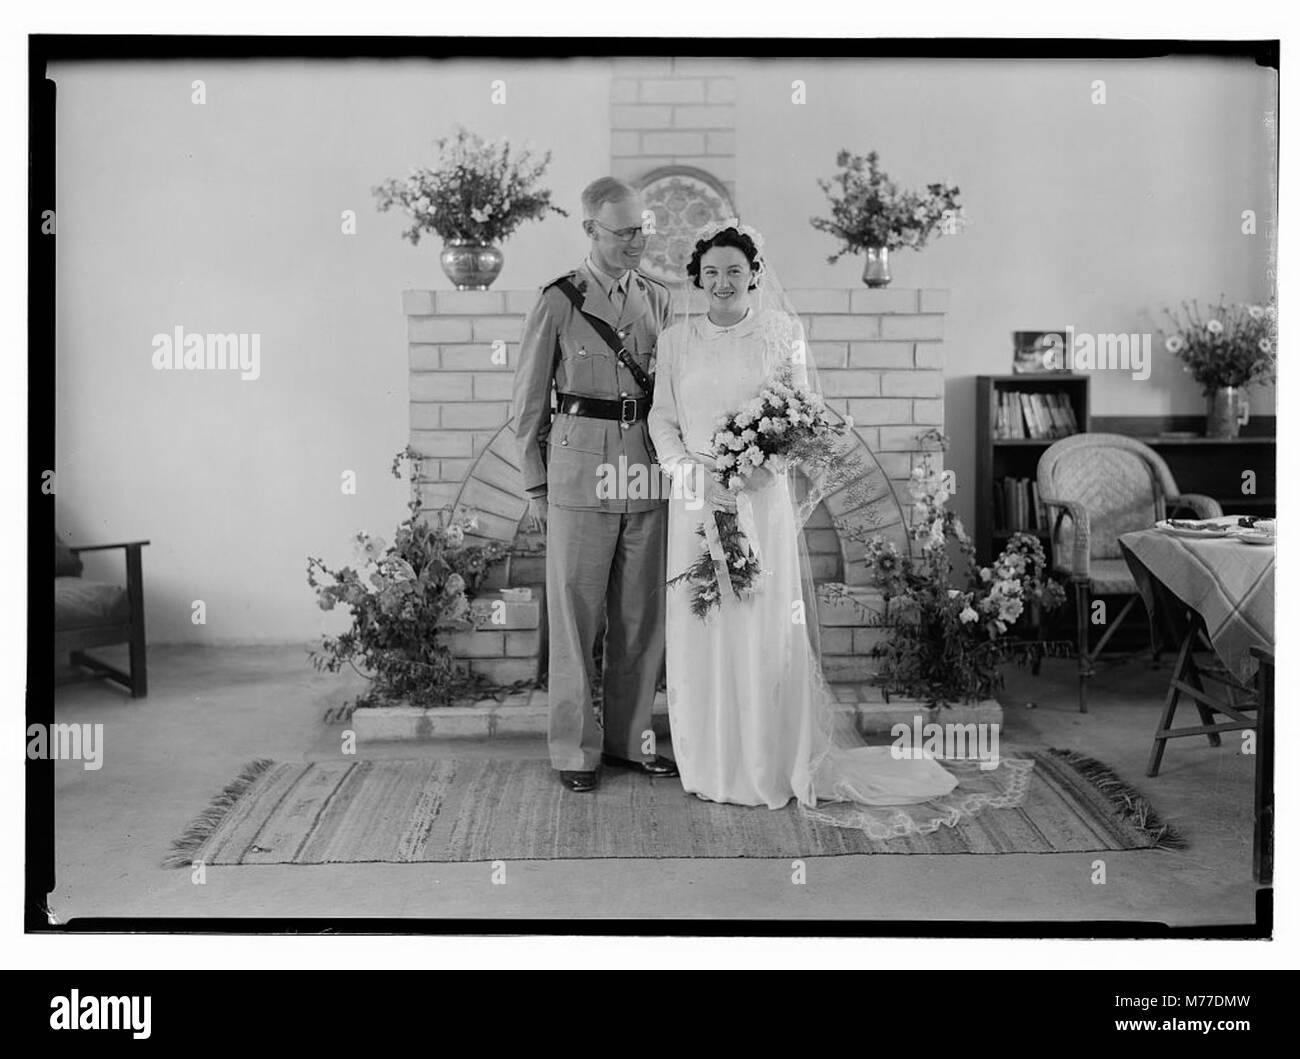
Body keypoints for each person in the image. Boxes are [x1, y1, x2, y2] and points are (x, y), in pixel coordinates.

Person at [648, 220, 1031, 836]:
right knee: (704, 621)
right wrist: (688, 471)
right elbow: (661, 418)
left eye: (734, 270)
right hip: (694, 501)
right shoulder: (675, 340)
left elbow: (799, 419)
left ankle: (770, 760)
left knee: (761, 621)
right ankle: (711, 763)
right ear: (698, 277)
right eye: (710, 271)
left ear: (755, 274)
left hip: (760, 498)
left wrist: (753, 469)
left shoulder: (781, 333)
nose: (722, 282)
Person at [511, 177, 679, 793]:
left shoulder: (659, 300)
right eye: (624, 231)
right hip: (578, 478)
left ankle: (630, 742)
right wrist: (535, 488)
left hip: (646, 473)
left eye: (643, 228)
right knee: (577, 621)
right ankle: (575, 750)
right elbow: (529, 405)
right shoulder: (559, 300)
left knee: (640, 619)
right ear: (591, 230)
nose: (638, 240)